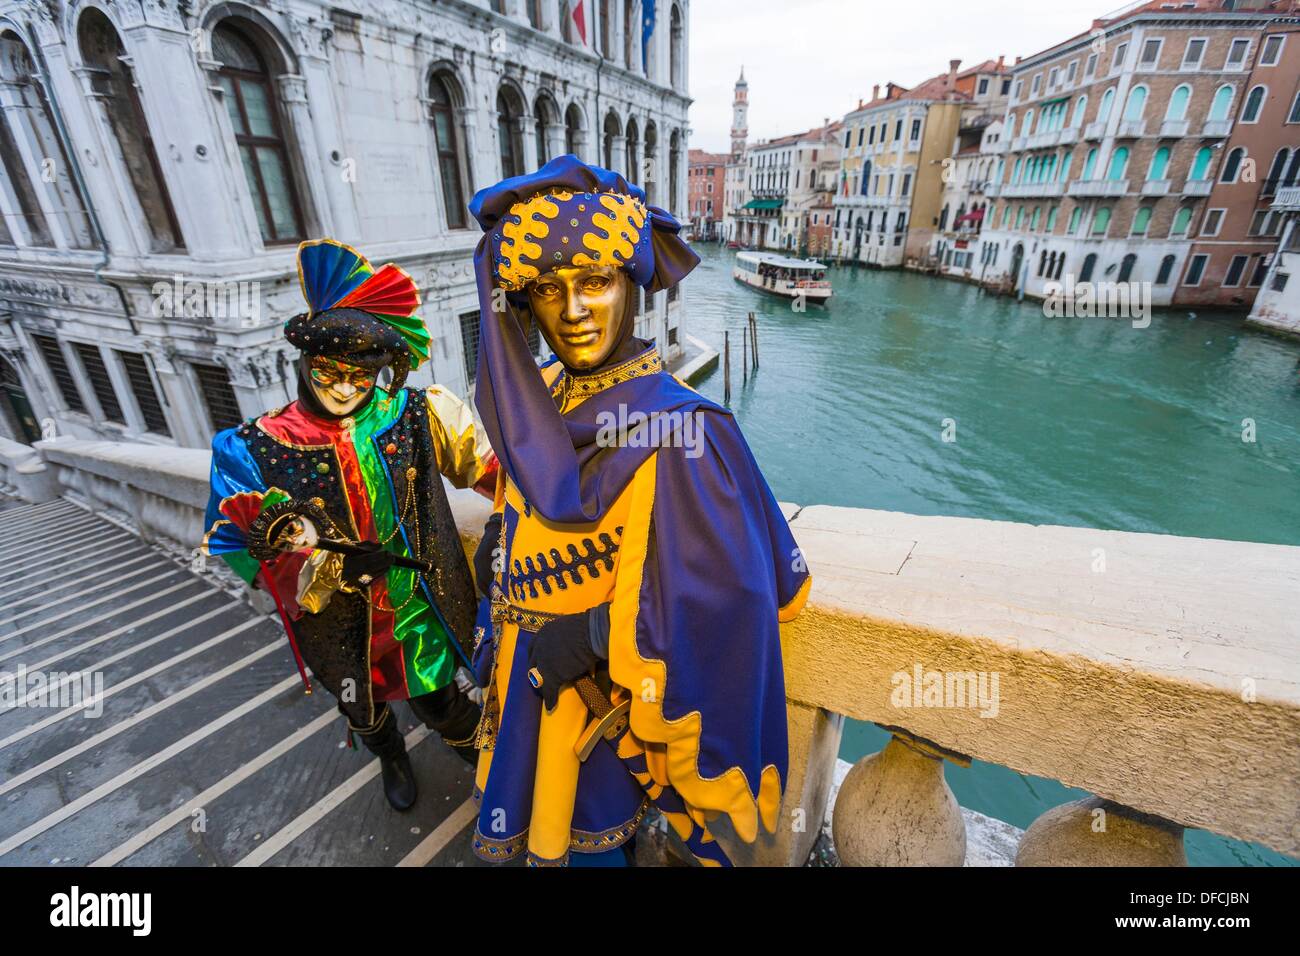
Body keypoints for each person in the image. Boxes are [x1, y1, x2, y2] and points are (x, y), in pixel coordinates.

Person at [465, 156, 810, 866]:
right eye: (547, 290)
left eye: (594, 282)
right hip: (521, 685)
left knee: (591, 852)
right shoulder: (547, 399)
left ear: (628, 286)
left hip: (596, 711)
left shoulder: (686, 432)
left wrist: (597, 629)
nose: (572, 311)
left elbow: (730, 597)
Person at [202, 239, 496, 811]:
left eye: (358, 377)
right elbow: (242, 545)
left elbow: (487, 469)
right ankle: (390, 755)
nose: (341, 388)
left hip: (418, 604)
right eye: (328, 372)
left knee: (443, 701)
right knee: (362, 704)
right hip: (336, 618)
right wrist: (316, 562)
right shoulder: (254, 445)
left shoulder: (416, 412)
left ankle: (490, 769)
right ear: (304, 365)